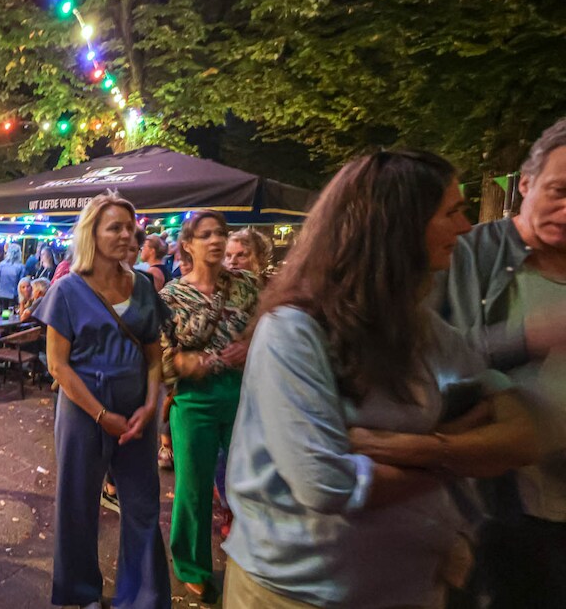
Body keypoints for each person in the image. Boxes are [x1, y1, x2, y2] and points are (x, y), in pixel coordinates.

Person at [224, 150, 540, 609]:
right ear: (398, 225)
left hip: (408, 585)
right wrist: (465, 452)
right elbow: (324, 484)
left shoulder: (422, 329)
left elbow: (524, 432)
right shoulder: (294, 330)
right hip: (297, 593)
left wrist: (423, 448)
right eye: (451, 212)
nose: (466, 226)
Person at [431, 118, 566, 608]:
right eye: (559, 191)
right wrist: (524, 340)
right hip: (493, 511)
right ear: (525, 184)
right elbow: (420, 364)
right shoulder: (462, 253)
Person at [36, 192, 169, 609]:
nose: (126, 234)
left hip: (138, 408)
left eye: (130, 227)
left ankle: (144, 596)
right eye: (115, 227)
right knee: (77, 504)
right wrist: (101, 414)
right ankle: (81, 592)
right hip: (83, 410)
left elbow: (154, 355)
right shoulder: (67, 289)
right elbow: (57, 366)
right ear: (92, 233)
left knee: (143, 504)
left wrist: (151, 405)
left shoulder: (143, 285)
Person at [157, 210, 258, 599]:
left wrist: (249, 344)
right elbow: (158, 354)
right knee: (194, 487)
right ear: (187, 244)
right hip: (194, 398)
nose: (216, 240)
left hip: (244, 393)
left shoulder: (247, 285)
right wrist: (184, 363)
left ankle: (252, 554)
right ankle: (192, 565)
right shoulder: (171, 296)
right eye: (206, 235)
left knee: (249, 479)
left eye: (221, 233)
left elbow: (270, 322)